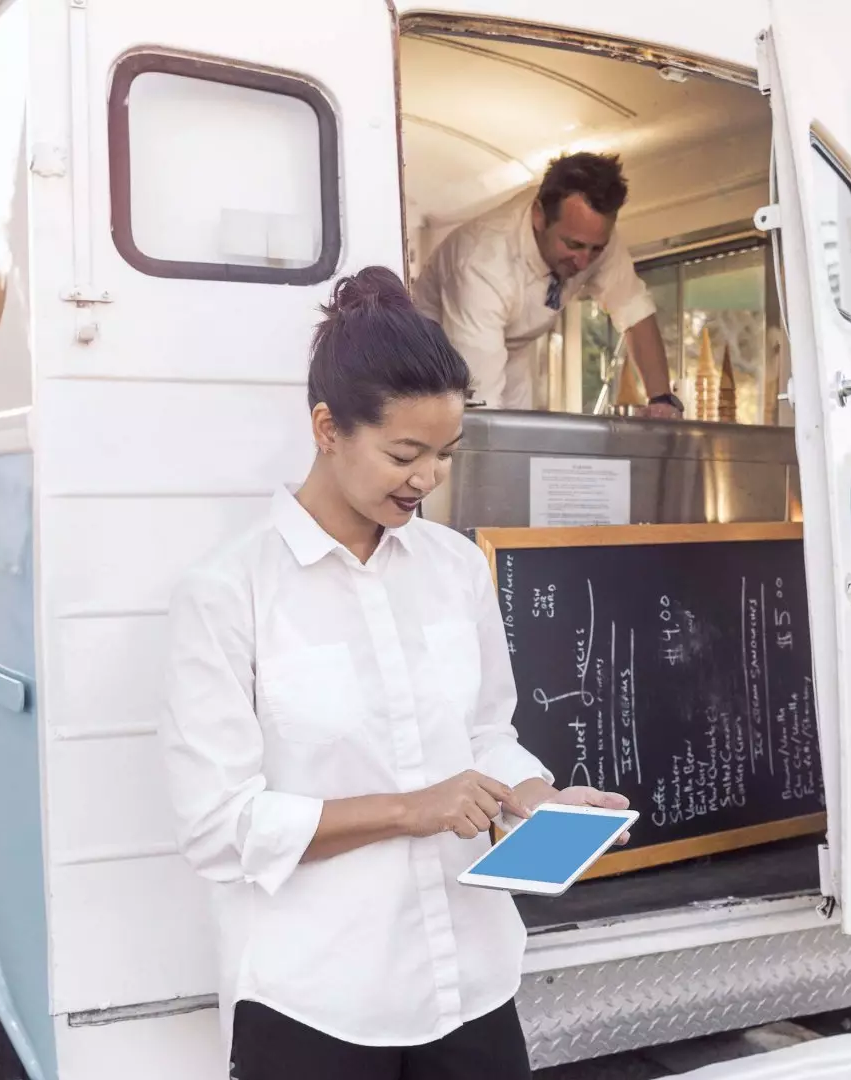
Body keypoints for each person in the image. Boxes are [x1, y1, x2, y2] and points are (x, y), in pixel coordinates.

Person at [160, 266, 631, 1080]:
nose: (427, 479)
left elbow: (487, 729)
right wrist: (414, 809)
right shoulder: (228, 593)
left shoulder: (454, 569)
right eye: (405, 453)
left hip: (472, 982)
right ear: (327, 428)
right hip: (317, 1000)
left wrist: (534, 799)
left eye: (446, 454)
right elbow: (218, 825)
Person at [412, 151, 683, 418]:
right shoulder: (483, 263)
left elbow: (633, 307)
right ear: (539, 216)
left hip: (513, 350)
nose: (584, 261)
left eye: (596, 249)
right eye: (573, 245)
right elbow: (479, 407)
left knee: (520, 440)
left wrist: (662, 401)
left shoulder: (590, 237)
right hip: (434, 362)